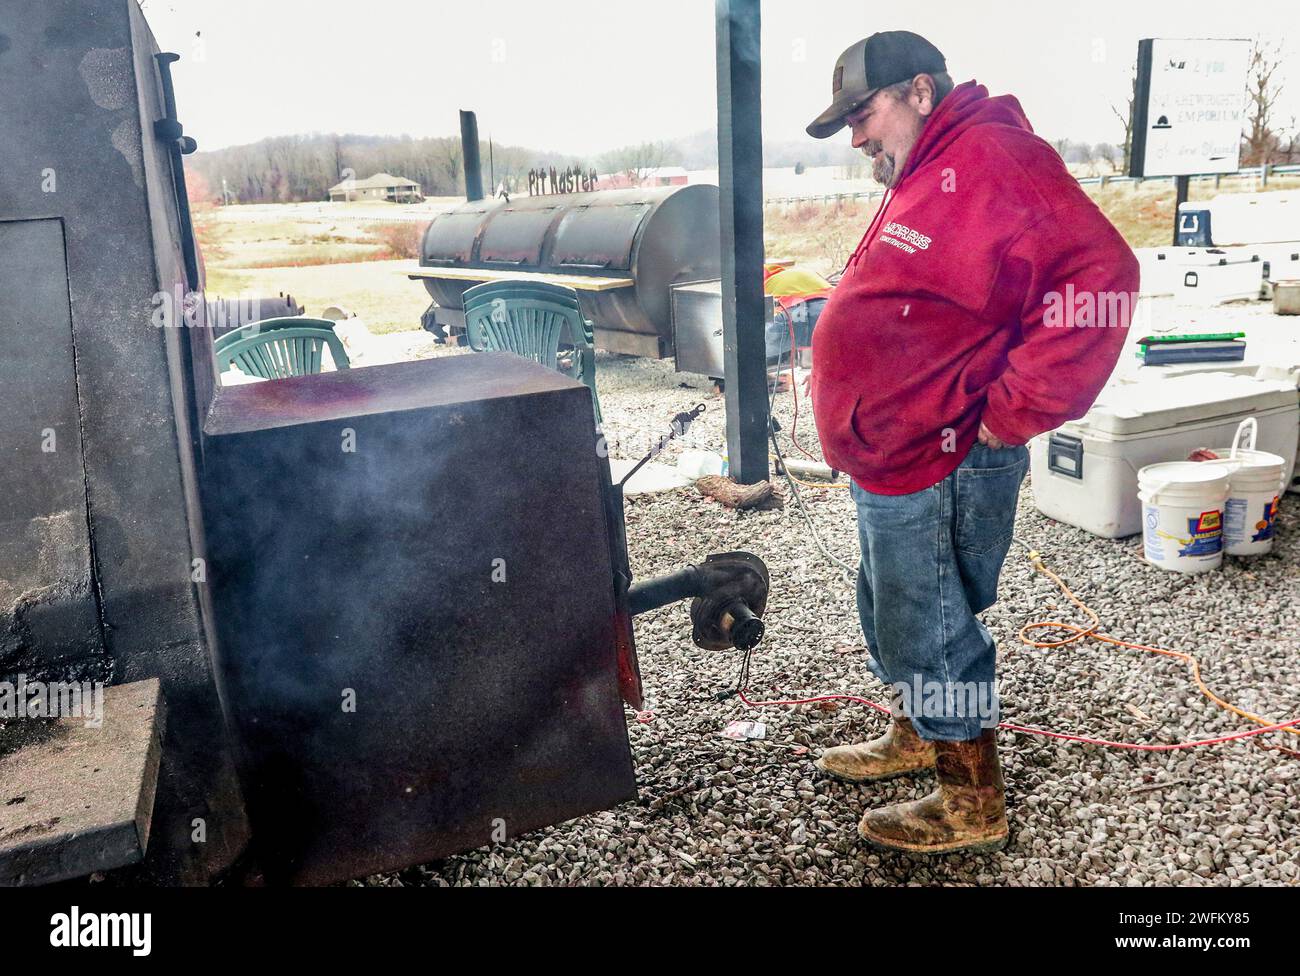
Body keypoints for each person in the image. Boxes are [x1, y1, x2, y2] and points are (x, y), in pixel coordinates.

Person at [804, 31, 1139, 854]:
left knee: (933, 627)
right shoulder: (931, 163)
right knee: (897, 607)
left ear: (921, 91)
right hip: (891, 450)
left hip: (941, 449)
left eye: (862, 114)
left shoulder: (996, 157)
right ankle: (923, 733)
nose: (856, 138)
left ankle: (970, 804)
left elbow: (1105, 278)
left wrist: (1012, 409)